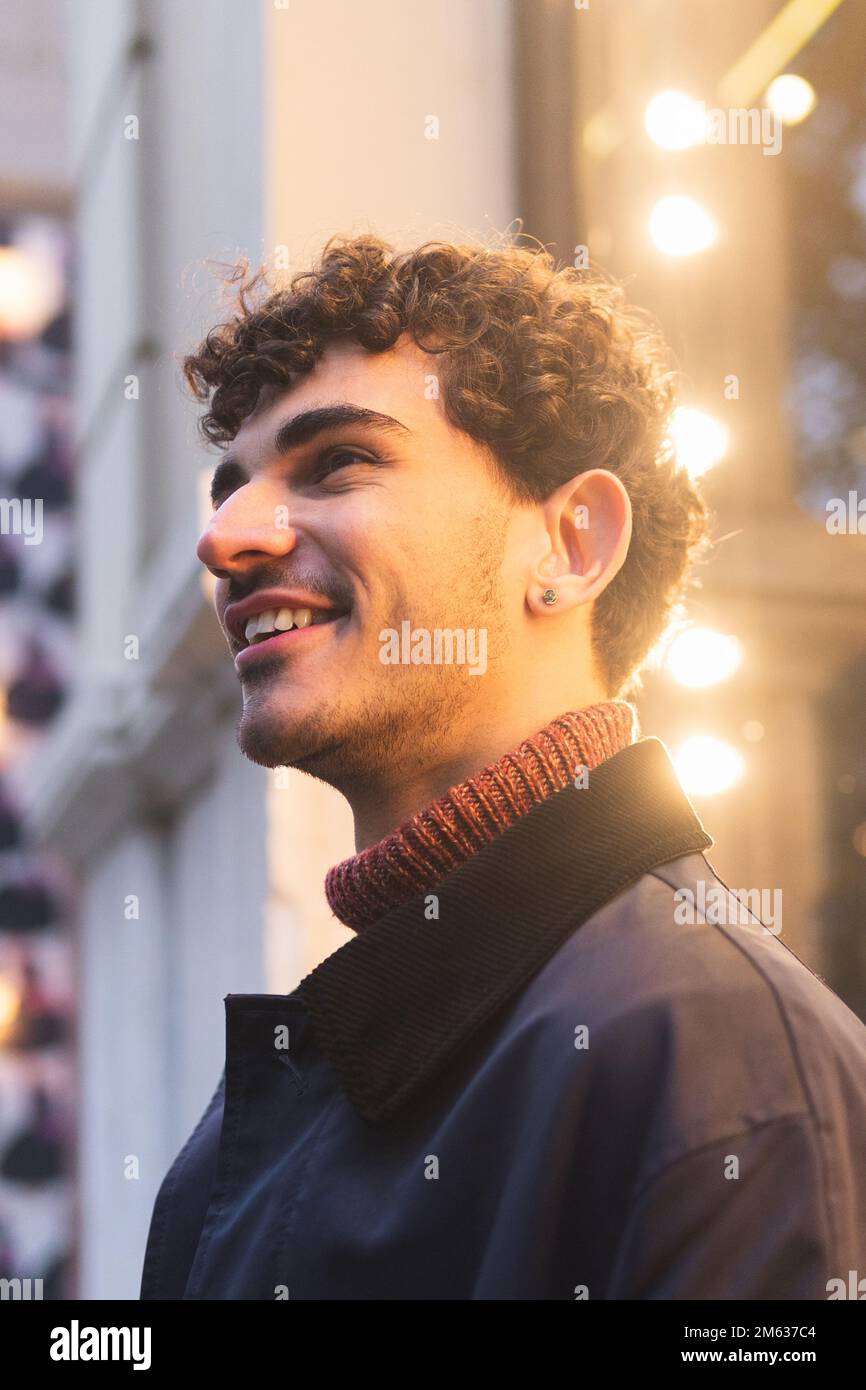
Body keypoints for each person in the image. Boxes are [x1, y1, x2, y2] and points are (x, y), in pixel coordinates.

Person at [140, 234, 866, 1299]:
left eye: (337, 460)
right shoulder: (271, 1109)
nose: (227, 537)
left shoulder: (716, 1060)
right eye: (229, 486)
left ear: (569, 544)